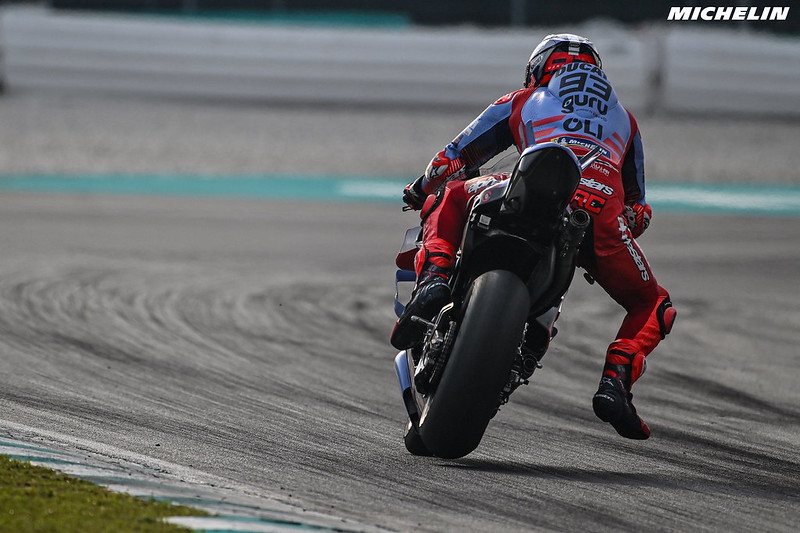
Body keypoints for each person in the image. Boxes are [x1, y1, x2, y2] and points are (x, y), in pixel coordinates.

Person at [390, 34, 676, 440]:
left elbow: (453, 157)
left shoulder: (524, 99)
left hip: (521, 189)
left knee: (449, 196)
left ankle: (435, 279)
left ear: (539, 69)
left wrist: (419, 189)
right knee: (654, 303)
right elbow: (639, 210)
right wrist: (613, 228)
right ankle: (615, 382)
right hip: (596, 209)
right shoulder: (626, 121)